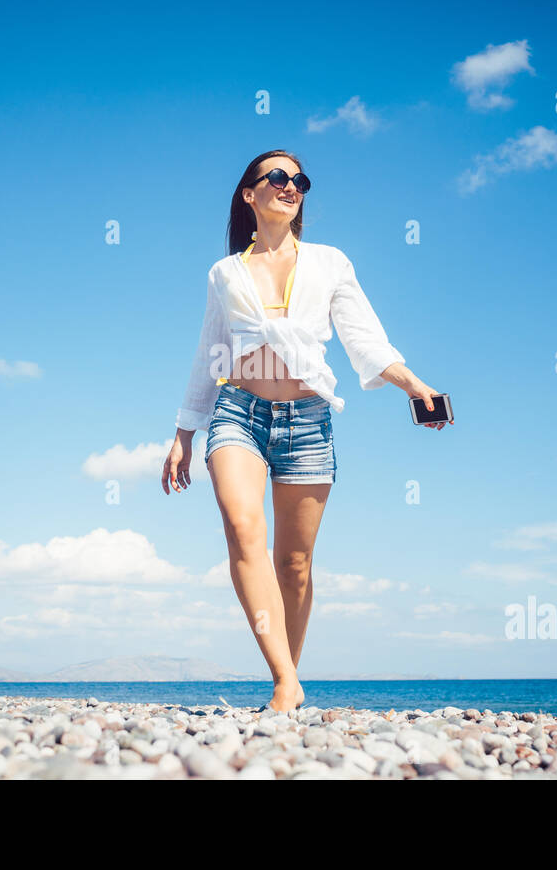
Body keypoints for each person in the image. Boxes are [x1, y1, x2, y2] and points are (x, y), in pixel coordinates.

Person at [162, 149, 450, 712]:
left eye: (300, 180)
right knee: (243, 528)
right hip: (238, 413)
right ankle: (284, 682)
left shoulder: (330, 263)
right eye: (277, 177)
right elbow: (208, 352)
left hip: (308, 421)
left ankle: (287, 681)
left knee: (294, 564)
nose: (291, 186)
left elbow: (365, 338)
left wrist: (414, 385)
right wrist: (184, 431)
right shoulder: (225, 273)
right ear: (250, 193)